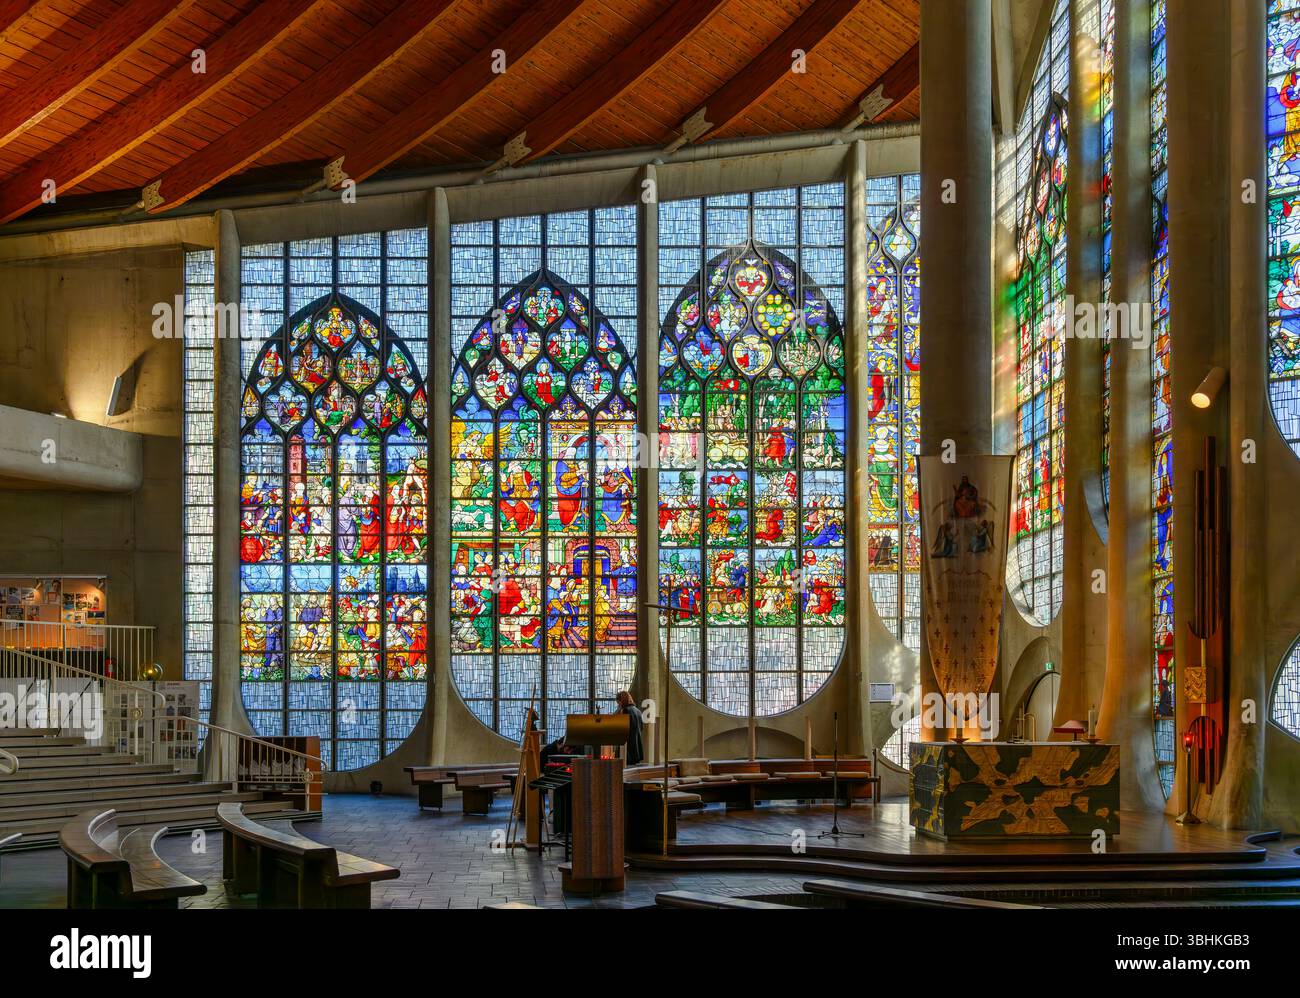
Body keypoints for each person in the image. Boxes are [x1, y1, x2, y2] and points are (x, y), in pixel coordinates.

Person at [615, 690, 645, 766]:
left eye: (618, 702)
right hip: (637, 747)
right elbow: (641, 727)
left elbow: (622, 727)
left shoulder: (625, 710)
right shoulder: (638, 710)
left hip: (628, 748)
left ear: (622, 701)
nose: (618, 704)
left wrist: (618, 712)